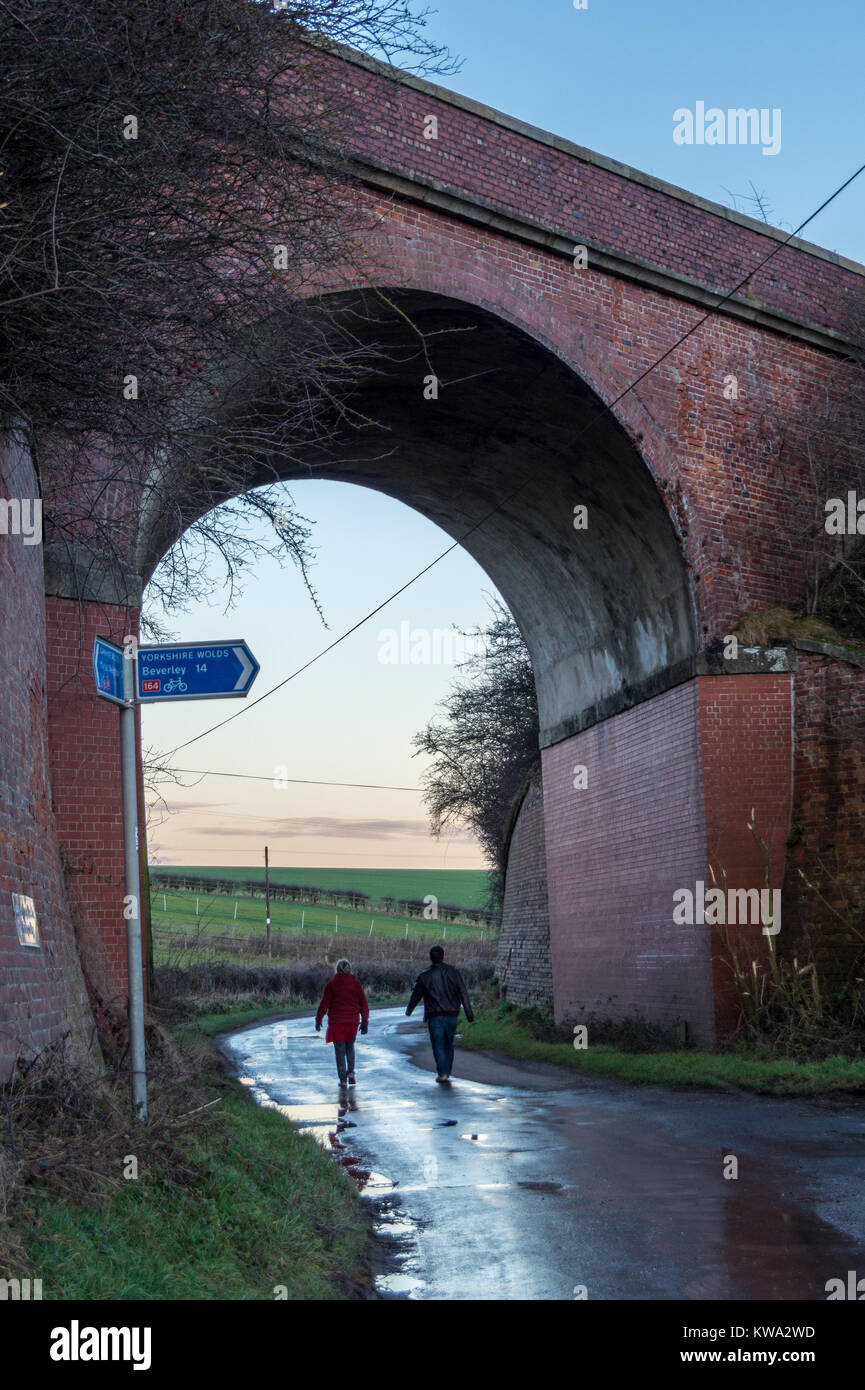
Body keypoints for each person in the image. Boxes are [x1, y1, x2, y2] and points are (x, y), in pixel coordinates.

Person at [406, 945, 474, 1083]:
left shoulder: (425, 976)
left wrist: (409, 1010)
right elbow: (463, 992)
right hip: (452, 1015)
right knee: (449, 1043)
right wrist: (469, 1013)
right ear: (443, 956)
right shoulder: (454, 972)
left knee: (438, 1044)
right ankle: (446, 1071)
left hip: (435, 1015)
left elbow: (416, 995)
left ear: (430, 958)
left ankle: (442, 1073)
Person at [315, 959, 369, 1087]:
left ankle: (343, 1080)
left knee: (340, 1051)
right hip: (352, 1022)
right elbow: (364, 1005)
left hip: (337, 1022)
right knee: (350, 1047)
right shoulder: (356, 984)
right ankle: (351, 1073)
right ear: (350, 969)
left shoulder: (332, 984)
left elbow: (324, 1004)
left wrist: (318, 1019)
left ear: (337, 969)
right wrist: (365, 1022)